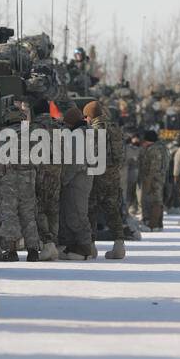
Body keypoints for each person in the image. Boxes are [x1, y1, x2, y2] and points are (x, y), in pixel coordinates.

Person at [0, 101, 43, 263]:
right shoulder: (31, 133)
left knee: (9, 214)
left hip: (9, 178)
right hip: (28, 177)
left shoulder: (2, 134)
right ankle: (33, 250)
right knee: (29, 214)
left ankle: (11, 250)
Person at [84, 100, 127, 258]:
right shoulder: (115, 128)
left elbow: (91, 155)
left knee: (92, 210)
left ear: (89, 116)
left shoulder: (94, 130)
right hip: (114, 174)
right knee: (113, 209)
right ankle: (119, 244)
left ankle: (91, 246)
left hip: (97, 174)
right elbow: (122, 153)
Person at [57, 105, 96, 260]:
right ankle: (82, 246)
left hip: (77, 180)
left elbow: (73, 162)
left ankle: (84, 248)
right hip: (86, 177)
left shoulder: (77, 136)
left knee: (76, 214)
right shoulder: (89, 132)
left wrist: (63, 180)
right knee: (79, 211)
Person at [30, 97, 63, 261]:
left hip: (40, 173)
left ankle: (47, 243)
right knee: (53, 209)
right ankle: (54, 244)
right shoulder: (58, 125)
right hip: (56, 172)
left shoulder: (33, 128)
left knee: (40, 209)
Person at [138, 129, 167, 231]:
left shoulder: (154, 150)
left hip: (153, 179)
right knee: (158, 200)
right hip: (160, 178)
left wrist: (148, 180)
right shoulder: (162, 148)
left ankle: (153, 224)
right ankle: (158, 224)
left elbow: (153, 167)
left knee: (154, 201)